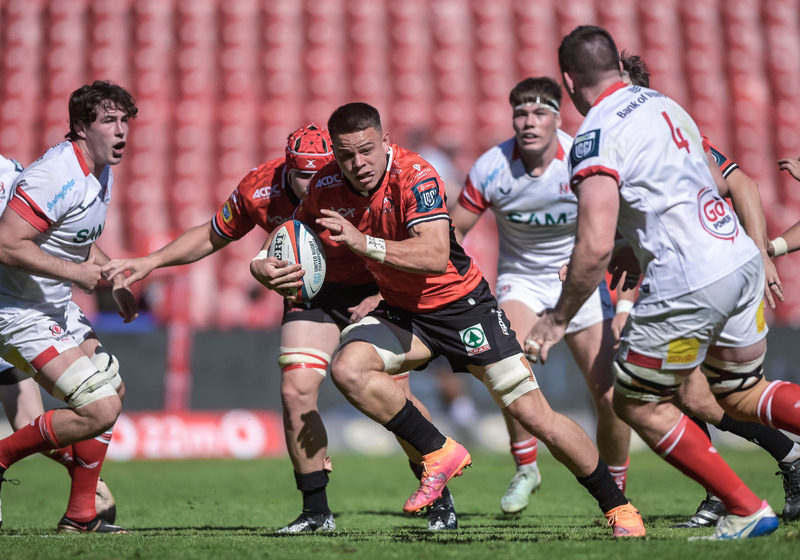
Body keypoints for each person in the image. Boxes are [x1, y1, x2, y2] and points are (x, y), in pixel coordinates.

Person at [255, 101, 646, 537]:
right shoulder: (326, 185)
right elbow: (289, 234)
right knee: (348, 368)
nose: (357, 164)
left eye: (366, 150)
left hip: (463, 309)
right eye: (346, 155)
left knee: (536, 417)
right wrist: (262, 264)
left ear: (386, 141)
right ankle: (438, 450)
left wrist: (363, 243)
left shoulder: (416, 174)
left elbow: (435, 254)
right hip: (405, 312)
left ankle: (619, 507)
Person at [104, 124, 458, 533]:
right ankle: (315, 512)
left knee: (396, 394)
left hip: (376, 290)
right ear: (287, 169)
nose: (313, 184)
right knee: (295, 389)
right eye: (302, 176)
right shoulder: (259, 189)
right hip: (312, 294)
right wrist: (151, 262)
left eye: (320, 173)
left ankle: (440, 499)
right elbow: (211, 235)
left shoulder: (365, 184)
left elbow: (410, 246)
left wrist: (383, 296)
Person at [527, 24, 800, 540]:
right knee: (740, 392)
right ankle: (756, 489)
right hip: (738, 258)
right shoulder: (665, 105)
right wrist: (636, 243)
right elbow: (683, 190)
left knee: (637, 402)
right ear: (615, 64)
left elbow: (594, 245)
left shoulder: (596, 134)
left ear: (568, 81)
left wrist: (558, 317)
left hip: (688, 278)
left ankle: (744, 507)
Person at [617, 52, 800, 528]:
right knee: (703, 394)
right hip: (686, 279)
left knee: (686, 396)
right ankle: (745, 483)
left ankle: (743, 488)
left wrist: (763, 251)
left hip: (702, 281)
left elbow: (743, 184)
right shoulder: (629, 140)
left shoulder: (668, 135)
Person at [449, 77, 632, 515]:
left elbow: (620, 232)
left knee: (610, 397)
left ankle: (617, 489)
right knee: (506, 366)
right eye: (521, 114)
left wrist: (613, 290)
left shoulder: (582, 158)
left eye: (540, 112)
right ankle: (527, 467)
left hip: (581, 282)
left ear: (557, 117)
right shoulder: (491, 166)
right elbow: (453, 232)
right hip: (522, 282)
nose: (529, 122)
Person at [0, 81, 139, 533]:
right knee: (98, 408)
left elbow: (77, 237)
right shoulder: (54, 173)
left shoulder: (101, 169)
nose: (121, 132)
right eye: (108, 121)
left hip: (55, 306)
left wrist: (111, 278)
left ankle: (80, 516)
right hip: (18, 312)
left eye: (124, 121)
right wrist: (76, 275)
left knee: (112, 394)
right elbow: (6, 243)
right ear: (80, 127)